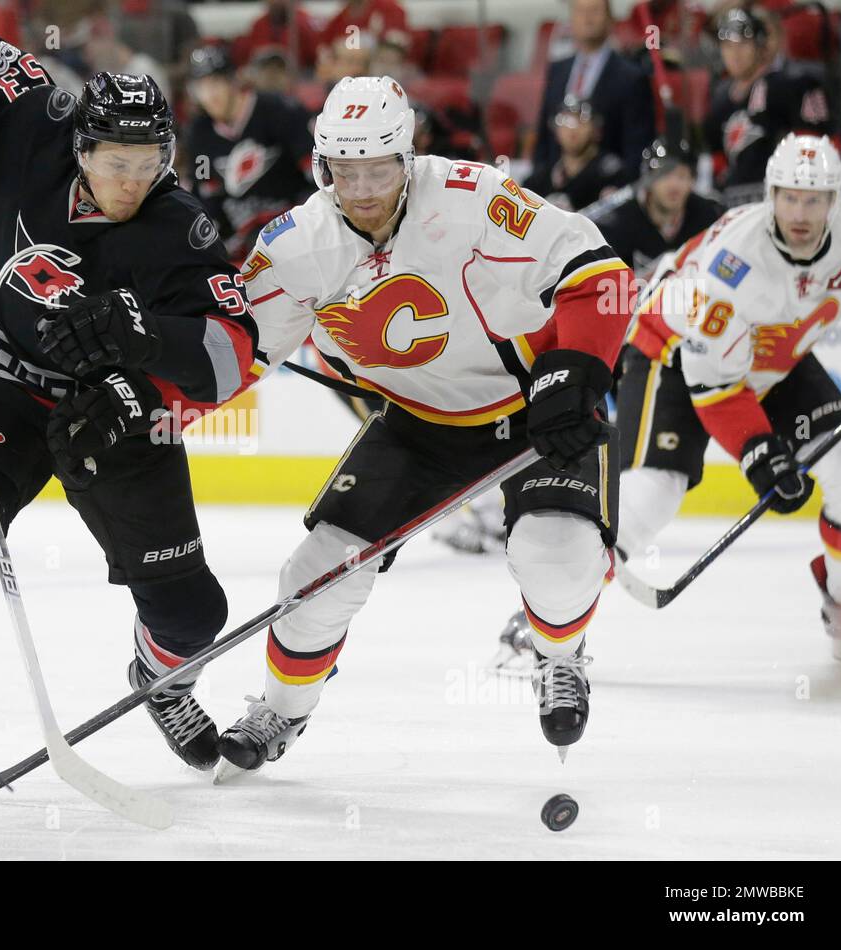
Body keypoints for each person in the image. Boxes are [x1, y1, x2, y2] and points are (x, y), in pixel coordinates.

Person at [0, 36, 257, 777]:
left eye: (149, 164)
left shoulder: (180, 230)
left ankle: (155, 679)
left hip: (112, 414)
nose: (131, 181)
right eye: (114, 162)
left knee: (193, 615)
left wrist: (141, 356)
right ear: (80, 146)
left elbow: (233, 354)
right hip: (2, 384)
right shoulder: (37, 127)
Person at [217, 76, 632, 776]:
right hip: (417, 423)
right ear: (321, 168)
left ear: (408, 158)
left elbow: (601, 274)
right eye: (345, 171)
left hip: (528, 411)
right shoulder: (296, 245)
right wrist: (138, 397)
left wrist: (574, 372)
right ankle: (280, 713)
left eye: (378, 167)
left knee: (555, 558)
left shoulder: (476, 198)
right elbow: (230, 354)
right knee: (318, 573)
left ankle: (561, 657)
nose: (364, 187)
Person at [616, 135, 841, 659]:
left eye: (814, 200)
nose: (800, 211)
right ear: (770, 194)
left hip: (775, 355)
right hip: (675, 352)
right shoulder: (732, 266)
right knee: (652, 494)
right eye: (789, 197)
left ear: (836, 201)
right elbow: (717, 386)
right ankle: (543, 622)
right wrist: (760, 453)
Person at [185, 45, 314, 263]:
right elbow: (205, 193)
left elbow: (318, 175)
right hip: (242, 241)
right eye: (201, 88)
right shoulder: (200, 133)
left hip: (295, 228)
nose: (209, 95)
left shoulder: (280, 111)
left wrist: (305, 219)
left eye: (216, 83)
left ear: (235, 80)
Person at [706, 8, 833, 207]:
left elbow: (818, 144)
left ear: (761, 46)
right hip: (734, 206)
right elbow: (716, 156)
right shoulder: (720, 98)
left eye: (743, 45)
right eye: (727, 46)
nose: (735, 54)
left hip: (782, 201)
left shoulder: (791, 85)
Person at [532, 0, 653, 181]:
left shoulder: (631, 77)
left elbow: (636, 147)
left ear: (610, 19)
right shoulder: (557, 70)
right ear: (571, 19)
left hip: (605, 186)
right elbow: (544, 137)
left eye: (594, 11)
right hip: (556, 188)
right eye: (580, 11)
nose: (587, 18)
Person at [589, 138, 725, 279]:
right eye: (664, 175)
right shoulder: (618, 224)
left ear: (692, 181)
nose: (674, 185)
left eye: (682, 175)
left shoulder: (709, 216)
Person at [524, 96, 627, 212]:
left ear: (596, 130)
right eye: (566, 121)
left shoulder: (612, 174)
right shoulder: (539, 180)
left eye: (581, 120)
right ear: (555, 130)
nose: (573, 129)